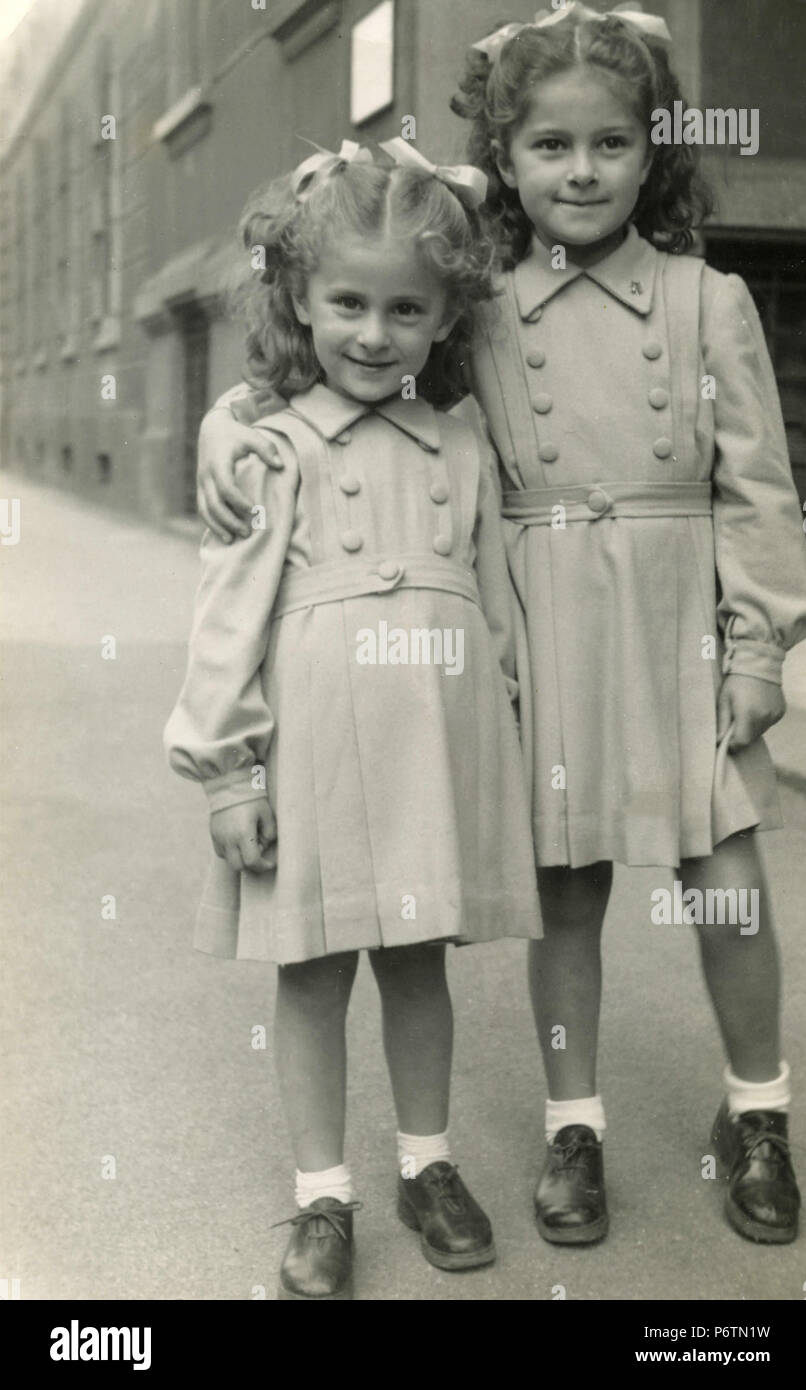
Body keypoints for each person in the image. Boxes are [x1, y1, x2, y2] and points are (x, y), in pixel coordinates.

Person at [194, 5, 806, 1249]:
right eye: (547, 147)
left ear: (653, 153)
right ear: (507, 155)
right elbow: (334, 376)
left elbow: (756, 485)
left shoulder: (709, 300)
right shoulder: (469, 307)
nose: (578, 171)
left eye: (608, 144)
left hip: (671, 614)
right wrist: (226, 423)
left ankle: (758, 1111)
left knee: (726, 881)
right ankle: (570, 1125)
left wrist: (758, 643)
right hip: (532, 614)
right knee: (567, 891)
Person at [164, 139, 542, 1300]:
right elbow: (226, 619)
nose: (374, 334)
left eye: (405, 309)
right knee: (315, 973)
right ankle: (322, 1195)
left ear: (443, 318)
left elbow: (499, 603)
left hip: (436, 746)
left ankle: (426, 1165)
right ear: (299, 301)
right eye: (347, 304)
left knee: (419, 963)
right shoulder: (268, 447)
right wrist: (230, 772)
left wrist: (513, 728)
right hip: (314, 755)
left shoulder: (464, 442)